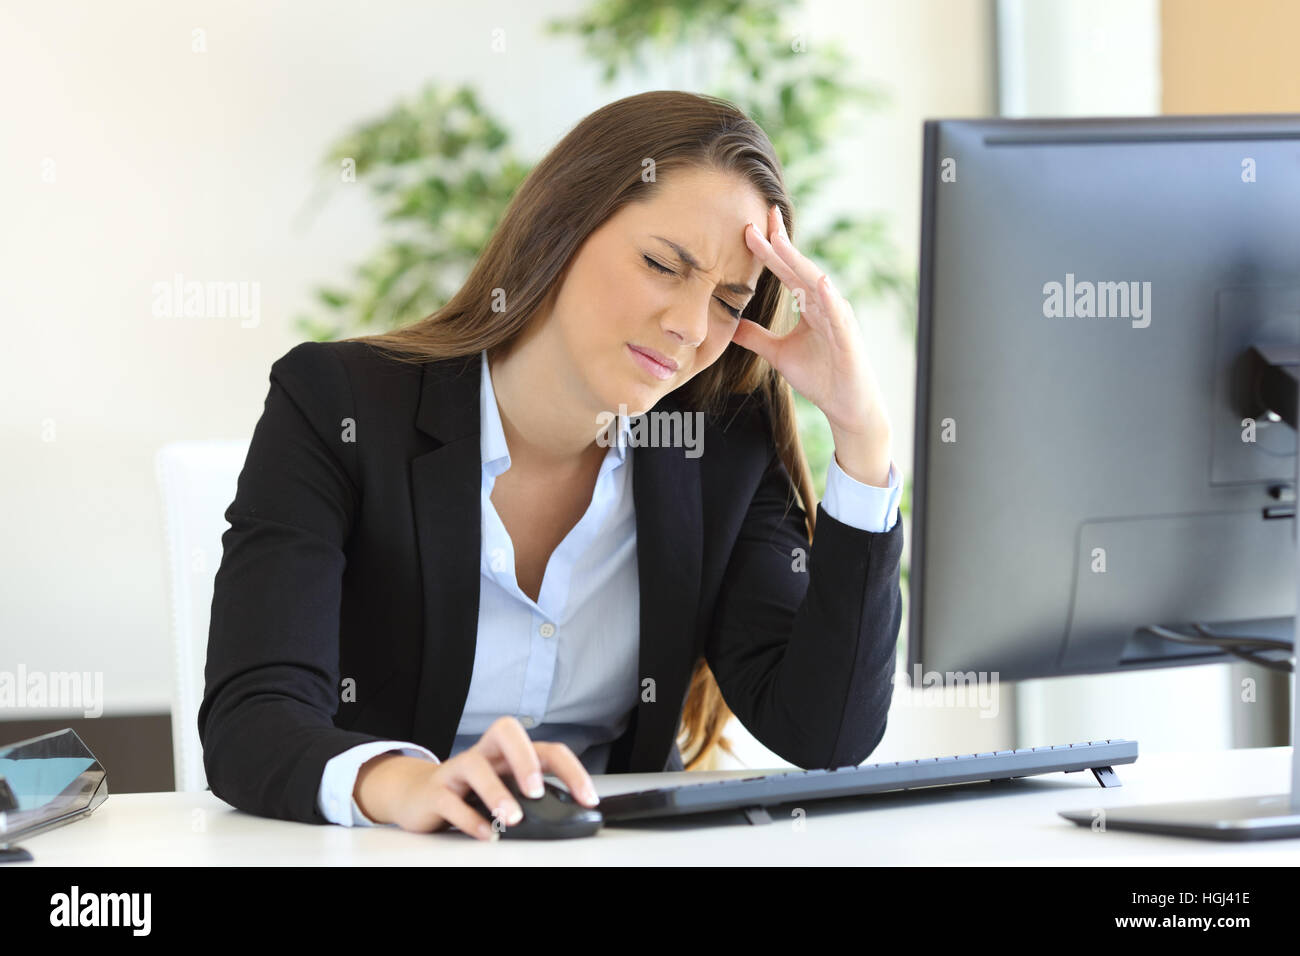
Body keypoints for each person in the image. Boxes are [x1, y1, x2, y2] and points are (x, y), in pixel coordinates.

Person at [199, 90, 904, 841]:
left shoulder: (717, 444)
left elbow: (827, 734)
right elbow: (253, 718)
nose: (691, 328)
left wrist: (862, 436)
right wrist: (408, 784)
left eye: (729, 301)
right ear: (561, 226)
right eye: (664, 265)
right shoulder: (339, 404)